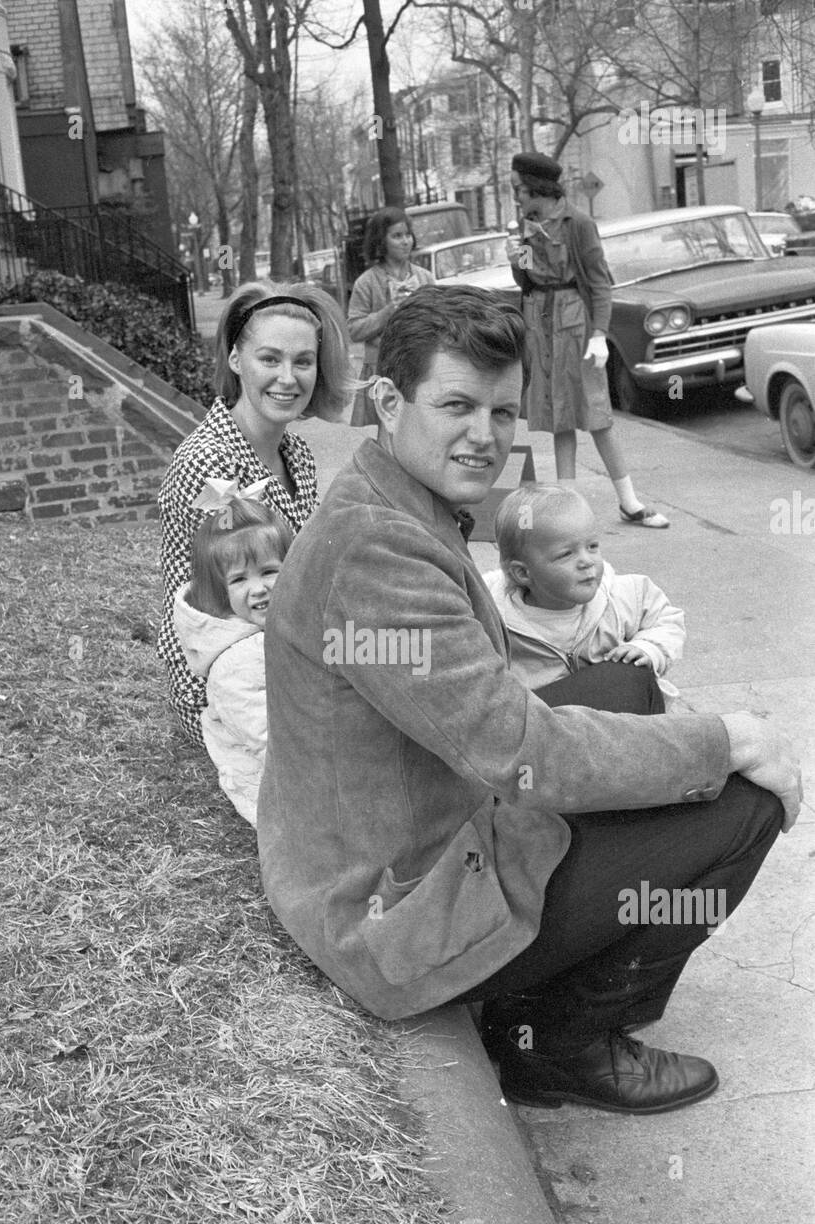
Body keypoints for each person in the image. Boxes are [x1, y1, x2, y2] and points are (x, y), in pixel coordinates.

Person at [257, 284, 801, 1115]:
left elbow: (489, 709)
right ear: (388, 402)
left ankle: (556, 978)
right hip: (397, 913)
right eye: (456, 406)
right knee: (740, 809)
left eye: (502, 412)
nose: (484, 436)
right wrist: (725, 741)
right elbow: (524, 755)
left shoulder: (393, 502)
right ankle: (559, 1045)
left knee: (628, 681)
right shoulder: (375, 552)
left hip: (416, 830)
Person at [157, 279, 351, 746]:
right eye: (270, 359)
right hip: (228, 683)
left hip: (284, 649)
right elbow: (235, 603)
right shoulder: (211, 466)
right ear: (236, 360)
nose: (289, 378)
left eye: (303, 361)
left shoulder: (296, 453)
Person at [507, 152, 670, 529]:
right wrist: (517, 262)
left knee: (597, 415)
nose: (516, 196)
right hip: (541, 323)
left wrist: (599, 334)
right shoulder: (527, 223)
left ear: (538, 188)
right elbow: (527, 282)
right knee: (560, 417)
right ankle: (570, 509)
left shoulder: (577, 223)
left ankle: (630, 502)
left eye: (519, 189)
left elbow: (599, 282)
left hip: (575, 324)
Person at [484, 484, 684, 702]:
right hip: (547, 718)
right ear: (523, 573)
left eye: (592, 546)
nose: (587, 561)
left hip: (612, 712)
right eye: (566, 554)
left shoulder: (619, 595)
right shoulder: (494, 617)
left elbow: (665, 619)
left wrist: (649, 648)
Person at [173, 493, 292, 827]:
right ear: (221, 591)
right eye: (240, 579)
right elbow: (268, 740)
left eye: (269, 571)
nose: (258, 589)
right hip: (279, 789)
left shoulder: (277, 627)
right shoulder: (236, 664)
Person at [347, 207, 435, 427]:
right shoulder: (367, 282)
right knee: (384, 431)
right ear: (381, 242)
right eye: (396, 236)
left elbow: (439, 322)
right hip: (380, 368)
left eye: (407, 235)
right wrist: (387, 312)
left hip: (417, 366)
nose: (405, 241)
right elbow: (354, 329)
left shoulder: (424, 277)